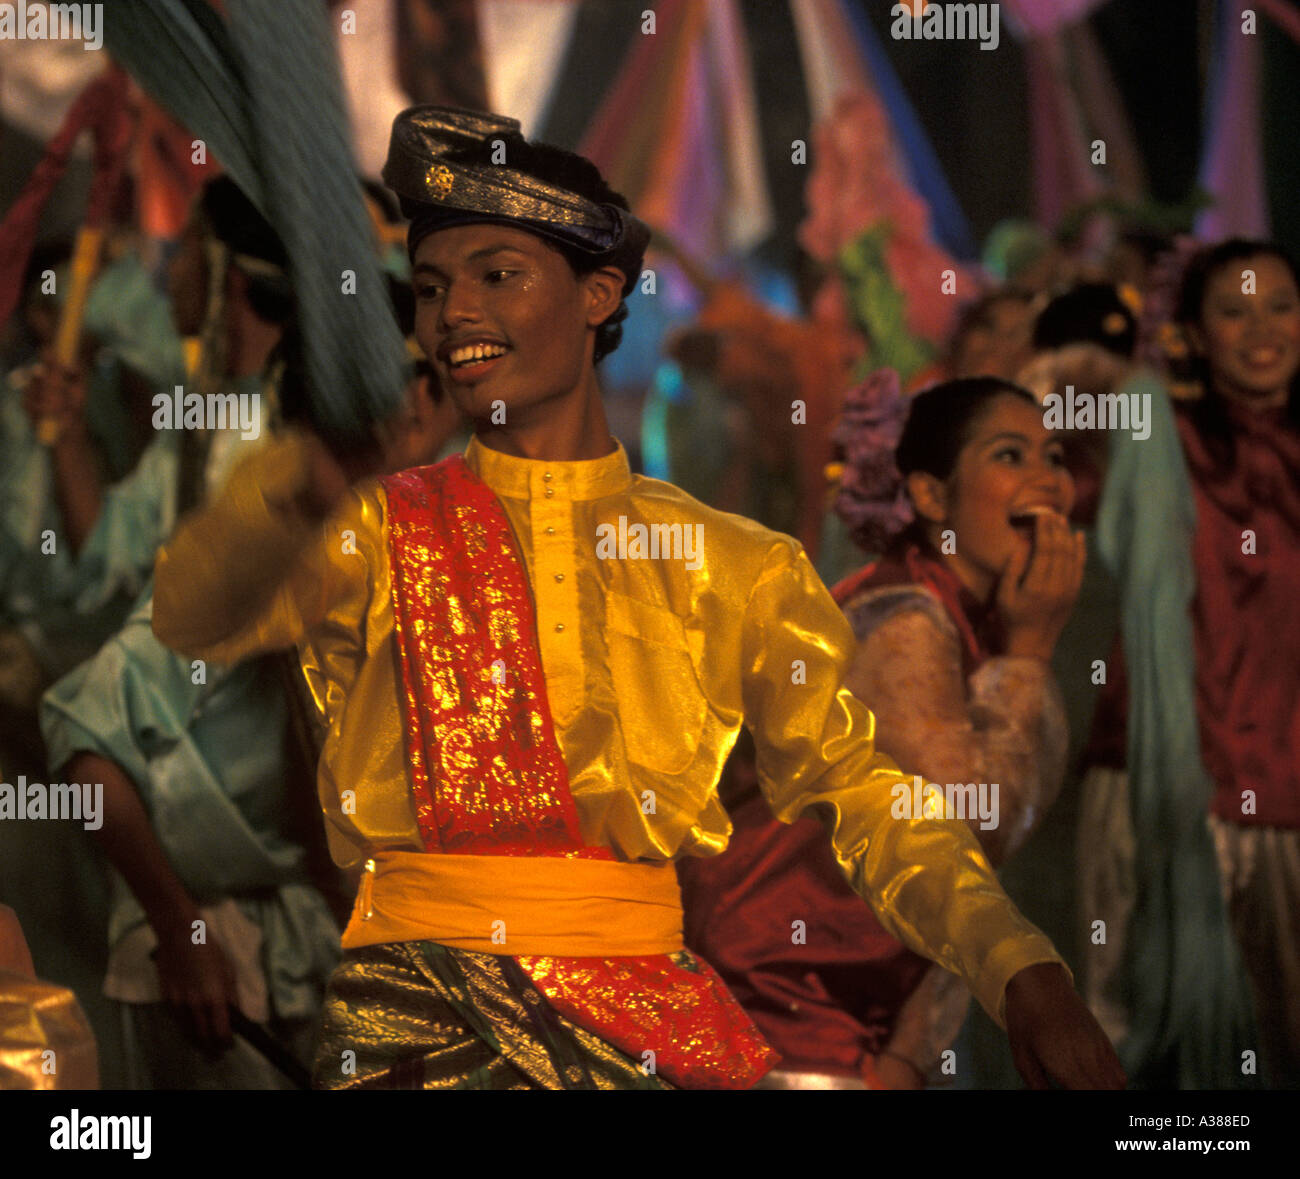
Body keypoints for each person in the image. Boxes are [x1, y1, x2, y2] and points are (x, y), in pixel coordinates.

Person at [151, 105, 1125, 1091]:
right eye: (435, 287)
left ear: (598, 292)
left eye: (498, 275)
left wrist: (1023, 972)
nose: (453, 316)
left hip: (643, 1036)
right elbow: (193, 617)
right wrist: (301, 489)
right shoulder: (375, 528)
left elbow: (870, 803)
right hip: (411, 1037)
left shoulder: (728, 562)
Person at [682, 373, 1084, 1087]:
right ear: (931, 497)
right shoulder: (904, 619)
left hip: (842, 994)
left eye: (1054, 457)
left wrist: (906, 1046)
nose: (1047, 481)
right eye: (1009, 455)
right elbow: (966, 830)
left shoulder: (959, 614)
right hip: (786, 988)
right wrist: (1031, 652)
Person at [1081, 239, 1300, 1088]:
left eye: (1281, 305)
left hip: (1284, 789)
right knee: (1150, 1071)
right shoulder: (1155, 433)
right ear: (1195, 334)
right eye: (1235, 310)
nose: (1262, 329)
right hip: (1162, 785)